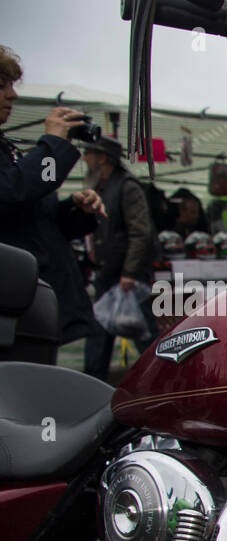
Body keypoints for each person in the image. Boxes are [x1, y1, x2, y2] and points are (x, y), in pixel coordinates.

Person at [0, 45, 103, 353]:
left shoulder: (6, 149)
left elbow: (33, 214)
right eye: (1, 85)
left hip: (31, 306)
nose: (13, 95)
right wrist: (53, 145)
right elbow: (15, 190)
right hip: (10, 313)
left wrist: (75, 209)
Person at [81, 136, 160, 380]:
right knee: (100, 335)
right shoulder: (102, 188)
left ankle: (161, 382)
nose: (85, 158)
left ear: (102, 157)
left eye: (89, 153)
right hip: (108, 273)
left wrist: (130, 273)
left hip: (127, 276)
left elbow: (141, 232)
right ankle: (92, 386)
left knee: (145, 336)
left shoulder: (127, 186)